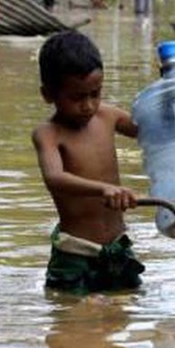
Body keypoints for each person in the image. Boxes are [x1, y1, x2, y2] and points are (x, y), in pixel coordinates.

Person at [32, 31, 145, 293]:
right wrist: (103, 189)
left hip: (118, 248)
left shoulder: (108, 116)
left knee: (124, 313)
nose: (88, 105)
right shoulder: (48, 134)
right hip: (75, 254)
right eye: (77, 97)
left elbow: (148, 130)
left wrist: (172, 88)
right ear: (48, 94)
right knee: (71, 318)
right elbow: (55, 177)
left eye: (95, 94)